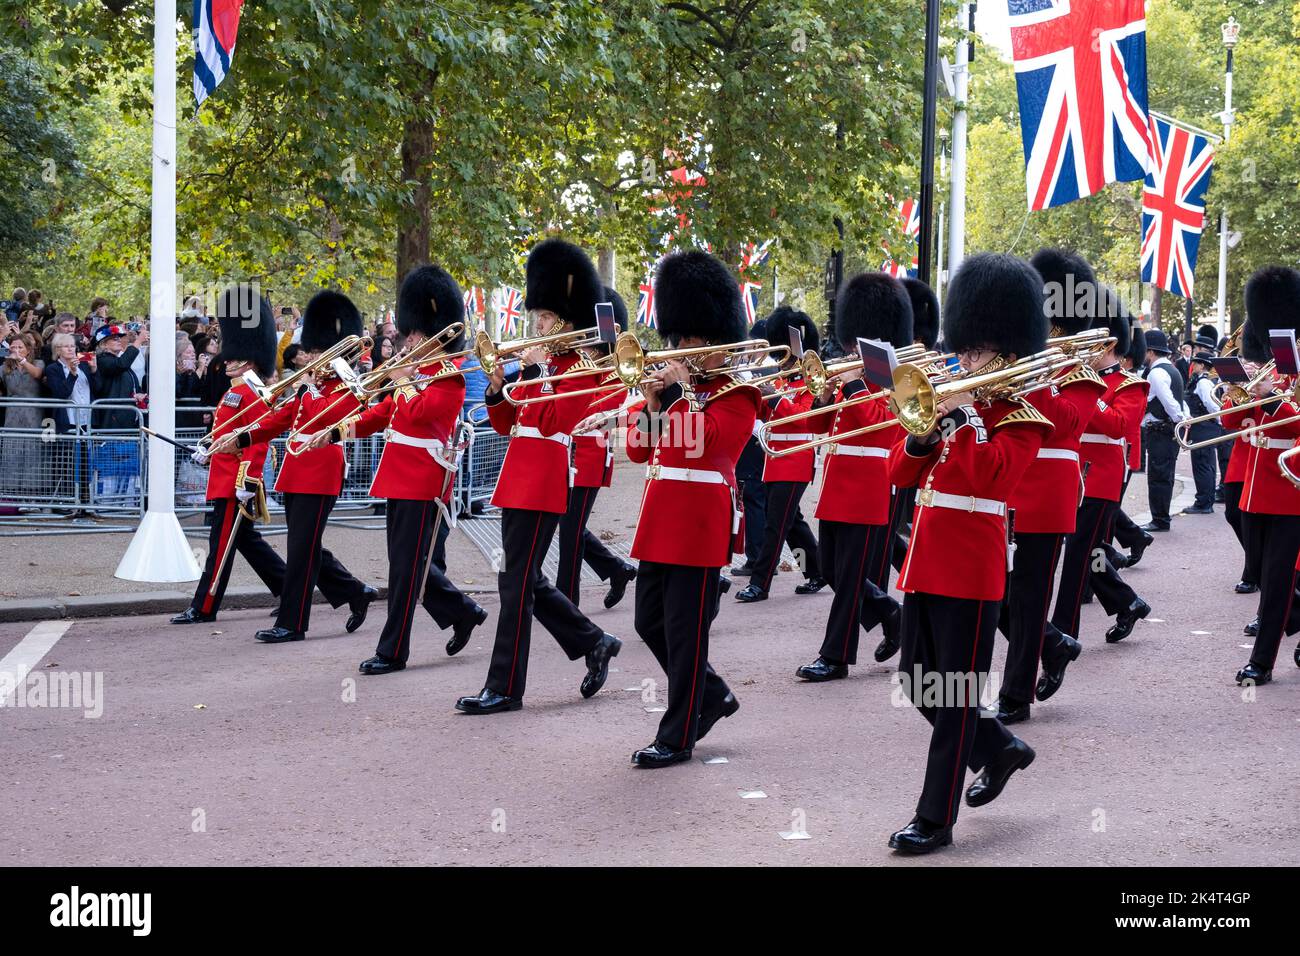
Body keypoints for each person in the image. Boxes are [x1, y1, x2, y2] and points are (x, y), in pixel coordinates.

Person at [885, 252, 1053, 854]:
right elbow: (899, 474)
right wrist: (924, 430)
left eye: (977, 353)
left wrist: (961, 422)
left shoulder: (1022, 420)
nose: (964, 361)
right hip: (928, 561)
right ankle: (999, 748)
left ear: (1005, 355)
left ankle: (935, 818)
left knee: (953, 697)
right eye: (966, 350)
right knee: (918, 681)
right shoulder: (959, 412)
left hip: (972, 572)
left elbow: (991, 480)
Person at [455, 238, 621, 715]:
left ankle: (505, 687)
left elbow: (554, 422)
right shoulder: (545, 366)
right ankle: (594, 642)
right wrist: (496, 387)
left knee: (514, 582)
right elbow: (510, 423)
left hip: (547, 477)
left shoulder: (583, 369)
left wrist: (533, 373)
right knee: (524, 580)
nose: (537, 326)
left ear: (566, 322)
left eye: (544, 319)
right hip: (518, 476)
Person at [310, 265, 488, 674]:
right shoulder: (421, 372)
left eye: (414, 335)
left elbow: (423, 413)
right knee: (406, 565)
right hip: (399, 475)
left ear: (429, 334)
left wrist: (399, 377)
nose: (408, 341)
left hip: (424, 479)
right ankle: (463, 612)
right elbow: (386, 413)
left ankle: (392, 651)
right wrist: (337, 433)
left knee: (406, 570)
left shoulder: (451, 376)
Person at [621, 250, 755, 766]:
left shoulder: (738, 394)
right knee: (648, 623)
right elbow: (638, 448)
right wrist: (654, 404)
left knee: (685, 631)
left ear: (717, 339)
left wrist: (675, 396)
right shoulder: (675, 390)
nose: (682, 349)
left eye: (693, 340)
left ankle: (677, 735)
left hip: (700, 522)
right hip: (660, 518)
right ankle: (713, 694)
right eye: (680, 339)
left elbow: (709, 442)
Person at [213, 288, 377, 644]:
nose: (309, 356)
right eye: (312, 350)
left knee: (301, 550)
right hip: (296, 471)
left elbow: (327, 418)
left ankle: (292, 622)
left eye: (315, 351)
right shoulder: (313, 384)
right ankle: (355, 591)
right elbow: (281, 418)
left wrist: (310, 390)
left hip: (321, 473)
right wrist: (241, 437)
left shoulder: (346, 385)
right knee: (307, 547)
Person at [991, 249, 1108, 724]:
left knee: (1031, 592)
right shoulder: (1018, 358)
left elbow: (1066, 423)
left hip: (1049, 488)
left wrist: (1034, 377)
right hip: (1004, 480)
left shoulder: (1080, 371)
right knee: (997, 591)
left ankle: (1015, 695)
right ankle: (1053, 642)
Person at [793, 272, 909, 683]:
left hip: (868, 483)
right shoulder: (854, 374)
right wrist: (823, 395)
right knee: (830, 569)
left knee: (846, 580)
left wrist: (856, 385)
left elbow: (883, 424)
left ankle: (836, 656)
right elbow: (817, 428)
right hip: (838, 482)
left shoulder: (898, 375)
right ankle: (890, 612)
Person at [171, 288, 287, 624]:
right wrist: (206, 448)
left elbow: (257, 439)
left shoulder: (252, 393)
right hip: (223, 474)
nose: (228, 362)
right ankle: (289, 588)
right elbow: (227, 434)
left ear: (248, 361)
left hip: (236, 482)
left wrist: (248, 480)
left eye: (234, 358)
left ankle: (204, 606)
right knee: (248, 543)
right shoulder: (234, 393)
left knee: (219, 546)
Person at [1046, 291, 1151, 660]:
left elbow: (1120, 426)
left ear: (1108, 343)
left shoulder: (1130, 385)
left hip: (1101, 478)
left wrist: (1091, 396)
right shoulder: (1068, 375)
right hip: (1071, 474)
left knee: (1077, 556)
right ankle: (1127, 603)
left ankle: (1062, 633)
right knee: (1088, 551)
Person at [1230, 266, 1300, 686]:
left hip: (1291, 485)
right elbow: (1232, 424)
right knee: (1266, 573)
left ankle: (1262, 663)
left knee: (1277, 580)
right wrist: (1236, 398)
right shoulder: (1270, 372)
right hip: (1257, 487)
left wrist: (1271, 399)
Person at [735, 306, 825, 602]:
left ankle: (760, 583)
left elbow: (802, 418)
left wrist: (776, 399)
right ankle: (816, 571)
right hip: (774, 458)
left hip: (797, 459)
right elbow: (765, 414)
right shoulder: (782, 382)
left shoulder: (812, 382)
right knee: (792, 523)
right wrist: (756, 394)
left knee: (776, 525)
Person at [555, 286, 637, 609]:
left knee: (570, 530)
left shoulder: (617, 364)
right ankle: (616, 569)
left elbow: (603, 408)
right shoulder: (580, 362)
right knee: (568, 526)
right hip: (569, 452)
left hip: (590, 455)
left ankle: (566, 601)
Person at [887, 278, 941, 577]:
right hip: (900, 457)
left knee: (884, 541)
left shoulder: (930, 369)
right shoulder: (896, 363)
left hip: (911, 454)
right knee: (884, 538)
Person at [731, 315, 769, 577]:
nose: (751, 348)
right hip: (755, 438)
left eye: (756, 344)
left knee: (754, 499)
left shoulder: (766, 367)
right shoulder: (754, 366)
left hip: (755, 438)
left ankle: (758, 558)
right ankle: (760, 556)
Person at [1141, 329, 1185, 531]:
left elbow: (1169, 402)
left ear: (1150, 352)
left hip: (1161, 430)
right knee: (1164, 475)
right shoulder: (1172, 369)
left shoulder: (1157, 372)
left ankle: (1159, 519)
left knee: (1158, 476)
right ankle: (1161, 517)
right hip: (1167, 430)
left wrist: (1179, 419)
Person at [0, 333, 46, 502]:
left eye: (20, 347)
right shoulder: (4, 367)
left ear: (28, 350)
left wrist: (22, 361)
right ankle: (12, 497)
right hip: (12, 413)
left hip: (33, 413)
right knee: (12, 452)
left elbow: (37, 375)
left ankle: (32, 498)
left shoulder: (37, 363)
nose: (16, 350)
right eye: (13, 347)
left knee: (33, 453)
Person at [1182, 348, 1222, 515]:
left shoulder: (1203, 383)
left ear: (1201, 365)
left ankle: (1203, 502)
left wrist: (1218, 420)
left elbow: (1213, 405)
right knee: (1206, 465)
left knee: (1202, 465)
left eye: (1196, 363)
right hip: (1204, 426)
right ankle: (1206, 500)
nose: (1193, 365)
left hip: (1203, 427)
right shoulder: (1201, 381)